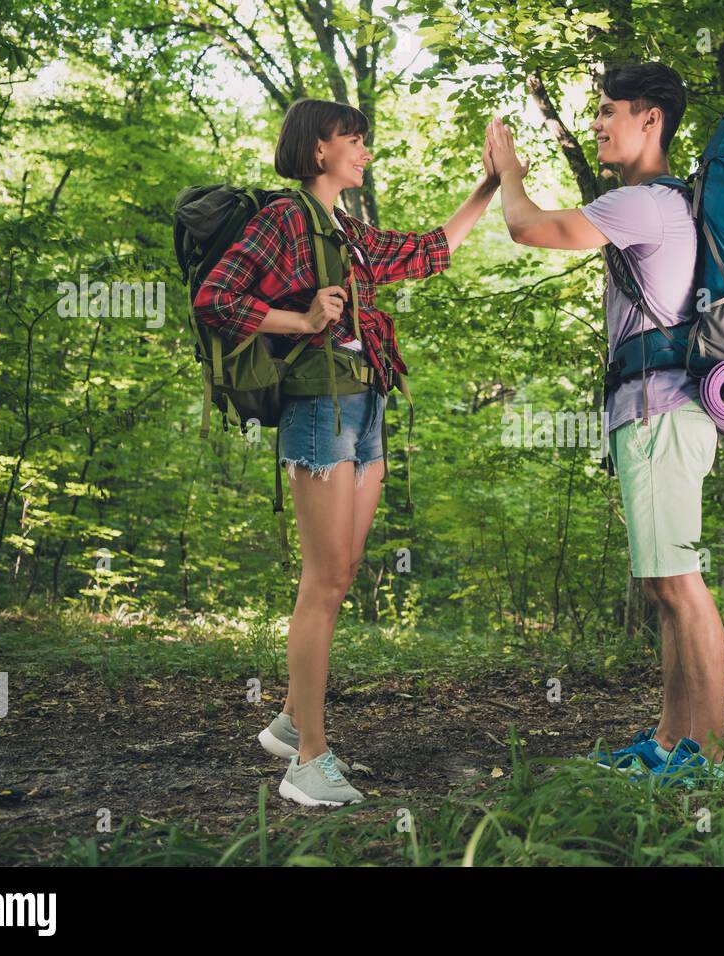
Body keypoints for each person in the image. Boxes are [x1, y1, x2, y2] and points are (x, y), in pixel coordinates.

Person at [195, 98, 499, 807]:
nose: (364, 150)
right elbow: (216, 298)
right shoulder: (285, 219)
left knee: (345, 570)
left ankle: (289, 721)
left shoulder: (347, 231)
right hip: (318, 411)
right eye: (352, 139)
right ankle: (307, 761)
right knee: (323, 579)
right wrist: (300, 318)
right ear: (318, 150)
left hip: (367, 408)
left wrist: (488, 185)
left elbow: (429, 251)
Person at [485, 63, 724, 785]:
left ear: (650, 119)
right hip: (658, 410)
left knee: (680, 585)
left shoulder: (645, 203)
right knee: (664, 586)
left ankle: (711, 761)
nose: (596, 123)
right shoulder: (664, 203)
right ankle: (671, 741)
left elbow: (527, 227)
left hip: (659, 412)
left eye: (608, 110)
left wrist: (507, 172)